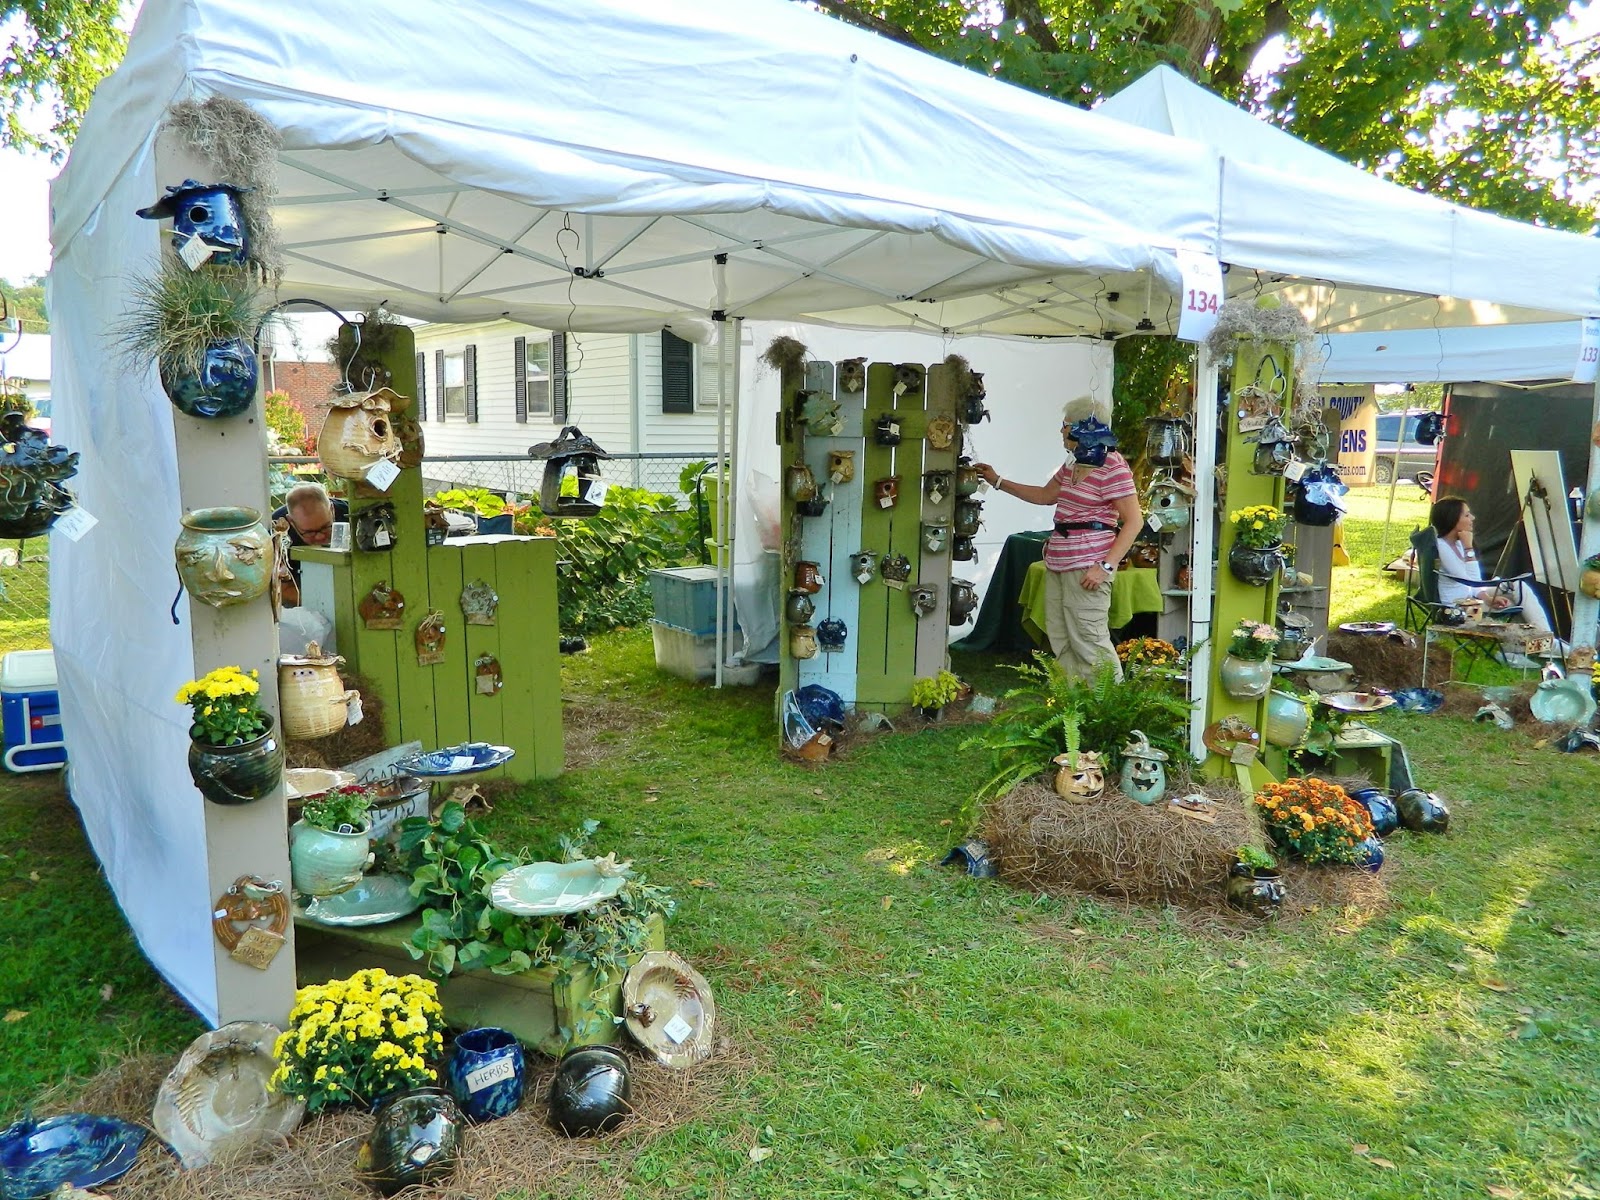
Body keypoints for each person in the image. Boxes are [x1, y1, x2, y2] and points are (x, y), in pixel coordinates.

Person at [975, 398, 1143, 681]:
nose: (1061, 430)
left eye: (1064, 425)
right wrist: (998, 481)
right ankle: (1074, 701)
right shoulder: (1074, 462)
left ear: (1081, 427)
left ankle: (1111, 704)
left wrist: (1105, 566)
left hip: (1087, 566)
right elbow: (1045, 495)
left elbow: (1134, 521)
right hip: (1058, 562)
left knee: (1090, 641)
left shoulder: (1112, 465)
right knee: (1061, 638)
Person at [1429, 495, 1555, 641]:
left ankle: (1537, 640)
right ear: (1453, 520)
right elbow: (1473, 581)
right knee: (1519, 601)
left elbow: (1473, 585)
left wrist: (1488, 598)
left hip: (1471, 598)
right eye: (1467, 515)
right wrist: (1469, 547)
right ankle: (1546, 641)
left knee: (1519, 589)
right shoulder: (1442, 548)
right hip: (1459, 608)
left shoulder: (1457, 543)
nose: (1473, 518)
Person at [272, 482, 349, 604]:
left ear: (332, 509)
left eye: (325, 527)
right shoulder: (277, 530)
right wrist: (328, 603)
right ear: (291, 521)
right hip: (300, 586)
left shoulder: (350, 514)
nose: (320, 536)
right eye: (310, 532)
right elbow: (282, 589)